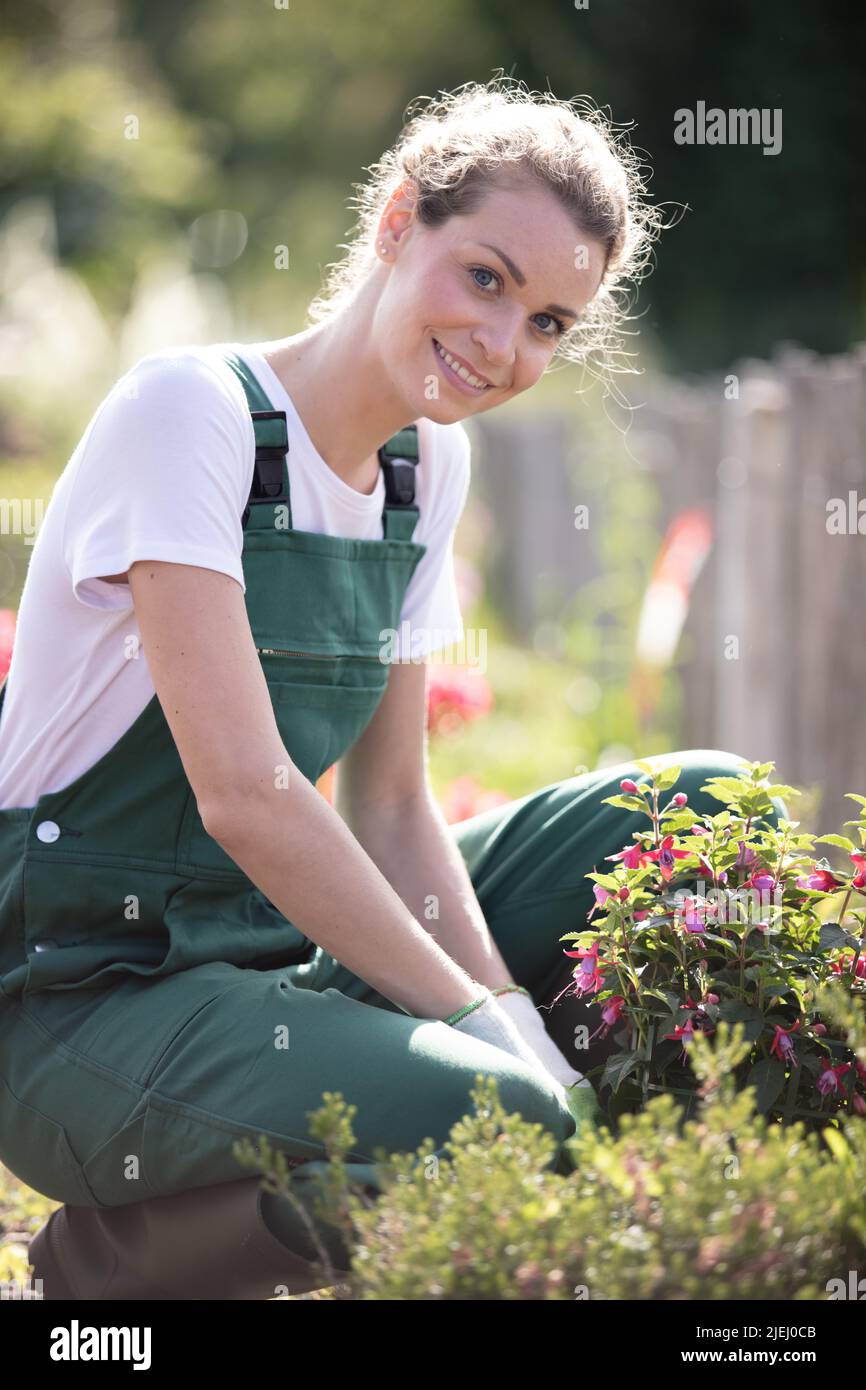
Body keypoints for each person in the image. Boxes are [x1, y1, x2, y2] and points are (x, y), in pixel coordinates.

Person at [0, 75, 757, 1300]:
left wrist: (505, 1006)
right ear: (398, 219)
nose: (504, 346)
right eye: (486, 278)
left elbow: (394, 807)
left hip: (265, 974)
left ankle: (652, 1188)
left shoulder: (423, 466)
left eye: (551, 322)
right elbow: (246, 795)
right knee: (505, 1112)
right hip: (79, 1003)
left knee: (703, 809)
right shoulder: (188, 417)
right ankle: (116, 1260)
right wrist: (485, 1027)